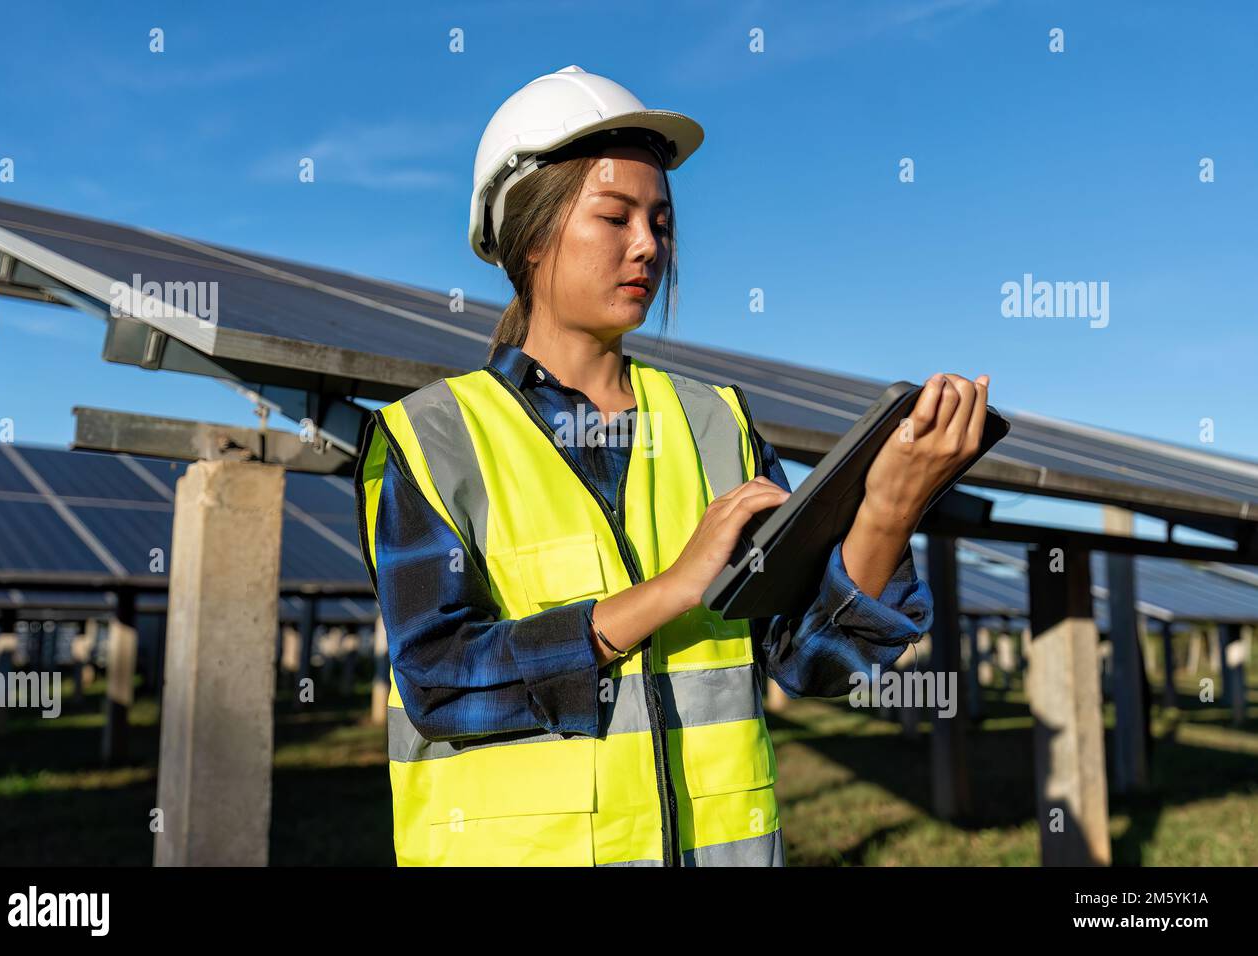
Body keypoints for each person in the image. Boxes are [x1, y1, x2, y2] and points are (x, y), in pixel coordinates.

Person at [354, 65, 991, 867]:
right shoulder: (432, 439)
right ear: (531, 235)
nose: (649, 245)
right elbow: (441, 680)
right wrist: (666, 594)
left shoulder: (717, 423)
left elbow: (810, 659)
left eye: (660, 220)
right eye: (614, 217)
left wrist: (891, 509)